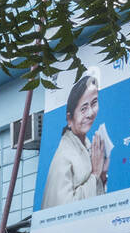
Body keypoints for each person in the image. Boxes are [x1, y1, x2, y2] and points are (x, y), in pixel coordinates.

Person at [41, 71, 109, 208]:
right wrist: (95, 175)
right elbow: (63, 210)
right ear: (69, 118)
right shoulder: (64, 155)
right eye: (83, 109)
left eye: (94, 103)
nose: (90, 113)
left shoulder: (86, 145)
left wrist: (101, 176)